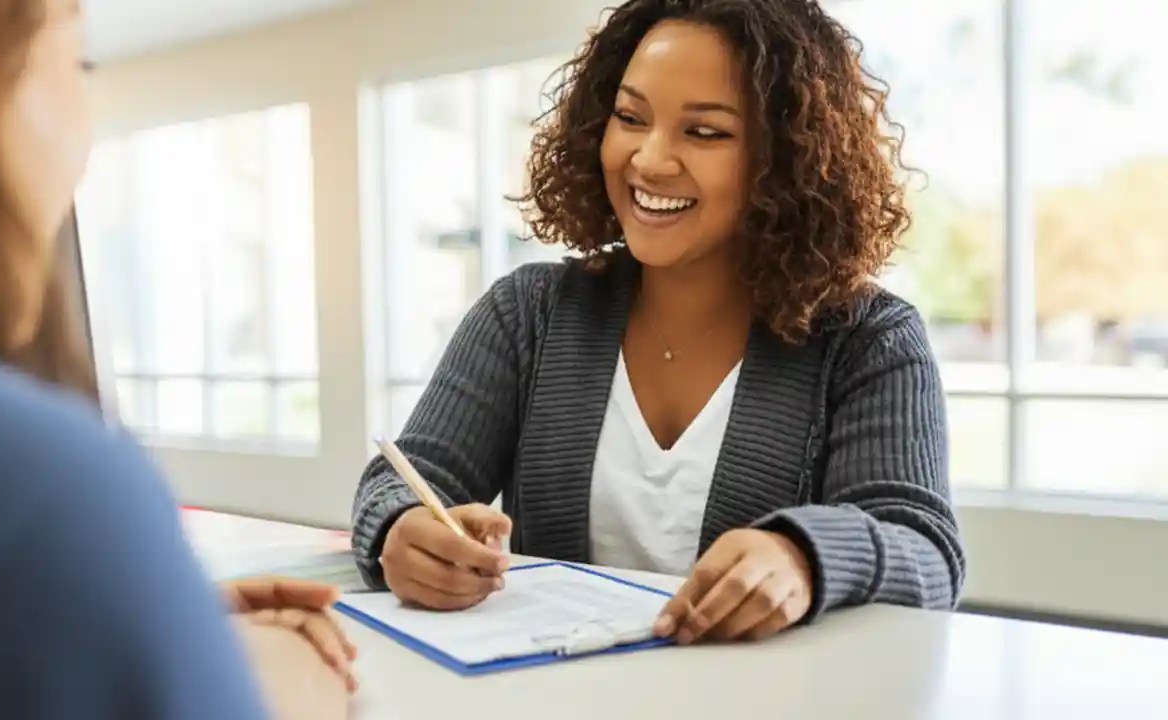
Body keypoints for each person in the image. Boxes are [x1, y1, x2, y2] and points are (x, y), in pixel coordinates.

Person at [352, 0, 965, 644]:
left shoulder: (867, 339)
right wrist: (400, 530)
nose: (649, 159)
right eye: (630, 118)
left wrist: (802, 556)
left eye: (704, 132)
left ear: (784, 160)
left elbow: (924, 550)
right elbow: (405, 479)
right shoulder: (527, 313)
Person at [0, 1, 353, 717]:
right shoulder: (28, 479)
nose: (87, 143)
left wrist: (126, 618)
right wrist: (284, 680)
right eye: (77, 62)